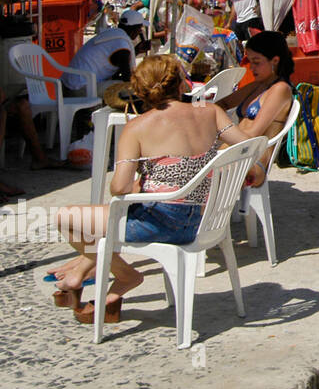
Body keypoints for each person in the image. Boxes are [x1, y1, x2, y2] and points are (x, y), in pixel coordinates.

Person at [49, 55, 253, 323]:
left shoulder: (137, 127)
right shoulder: (211, 112)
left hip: (159, 223)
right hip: (205, 221)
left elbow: (119, 188)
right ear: (181, 84)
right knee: (108, 219)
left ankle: (125, 276)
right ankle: (82, 279)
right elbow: (248, 146)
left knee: (68, 218)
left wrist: (141, 178)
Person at [217, 31, 296, 187]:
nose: (251, 68)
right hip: (235, 153)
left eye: (256, 62)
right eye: (250, 62)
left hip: (254, 162)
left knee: (199, 171)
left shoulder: (280, 90)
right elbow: (222, 104)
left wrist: (219, 130)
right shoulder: (258, 86)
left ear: (274, 61)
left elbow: (253, 134)